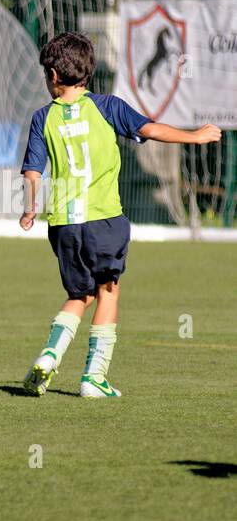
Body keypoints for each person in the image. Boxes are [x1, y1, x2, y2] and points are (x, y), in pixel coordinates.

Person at [19, 31, 219, 398]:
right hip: (103, 219)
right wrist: (195, 136)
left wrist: (31, 207)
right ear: (88, 73)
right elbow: (150, 129)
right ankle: (93, 378)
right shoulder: (107, 106)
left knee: (79, 294)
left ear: (52, 76)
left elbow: (33, 172)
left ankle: (49, 357)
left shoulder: (42, 118)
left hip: (63, 223)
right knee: (108, 290)